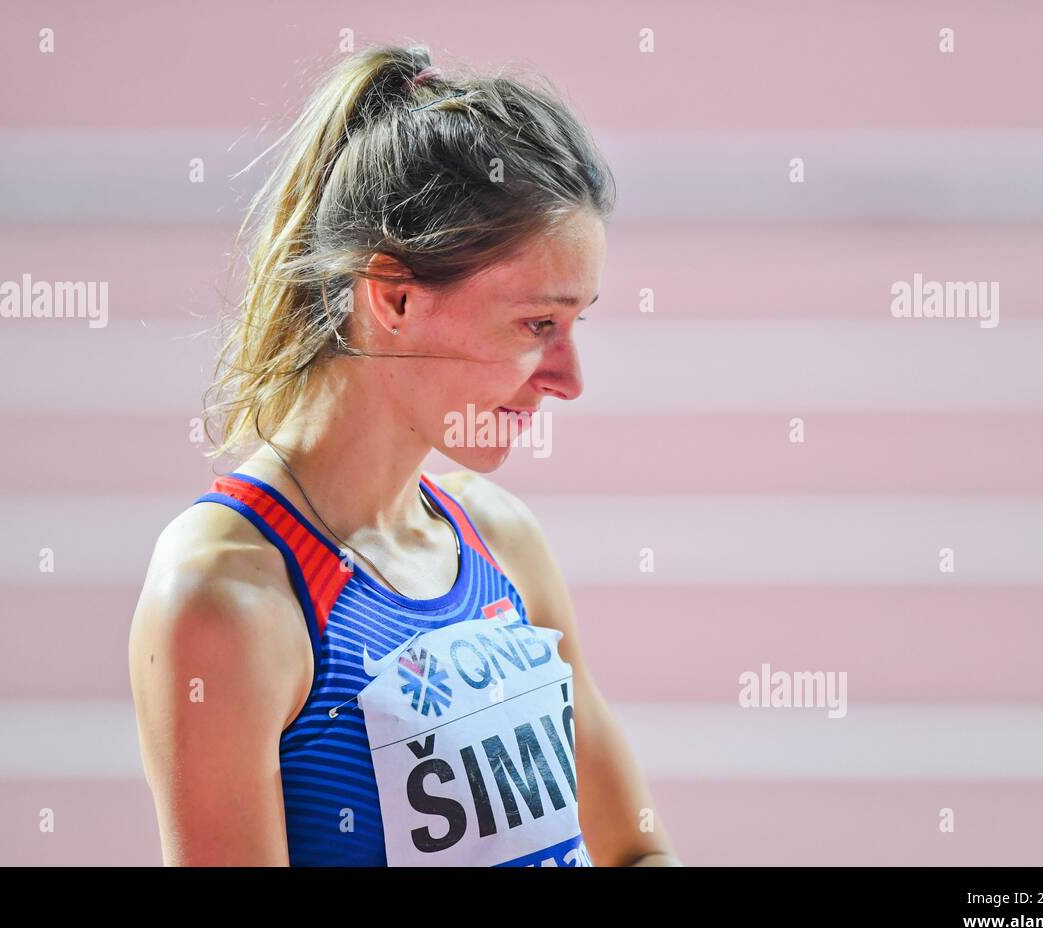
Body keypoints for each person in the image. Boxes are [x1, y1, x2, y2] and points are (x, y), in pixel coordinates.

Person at [129, 43, 680, 867]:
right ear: (392, 297)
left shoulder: (500, 539)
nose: (568, 381)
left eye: (578, 325)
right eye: (538, 325)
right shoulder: (228, 600)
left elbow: (634, 852)